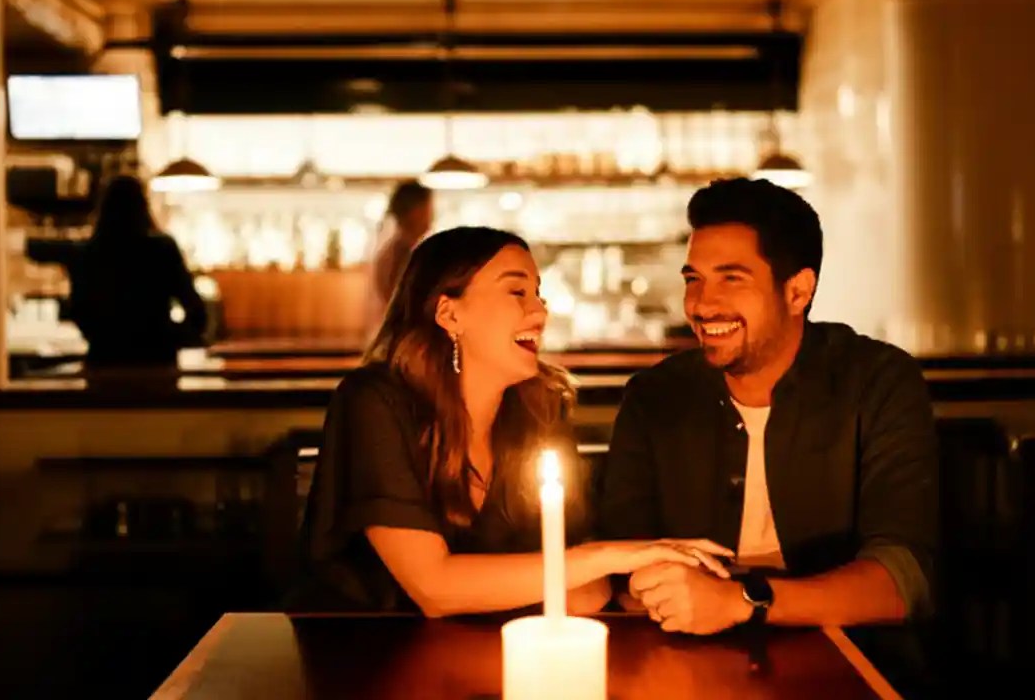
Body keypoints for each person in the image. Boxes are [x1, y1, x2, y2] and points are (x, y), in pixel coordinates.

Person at [291, 226, 732, 616]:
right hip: (357, 653)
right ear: (449, 314)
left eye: (538, 293)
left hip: (493, 656)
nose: (540, 312)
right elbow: (435, 588)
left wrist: (604, 567)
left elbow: (585, 593)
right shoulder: (375, 402)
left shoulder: (541, 408)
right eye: (517, 292)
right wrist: (612, 557)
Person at [598, 178, 938, 638]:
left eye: (731, 279)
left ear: (798, 291)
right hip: (684, 652)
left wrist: (741, 602)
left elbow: (903, 580)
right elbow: (620, 566)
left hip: (850, 655)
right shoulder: (655, 397)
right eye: (693, 279)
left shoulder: (876, 382)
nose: (701, 303)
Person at [65, 175, 207, 381]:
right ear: (143, 206)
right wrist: (168, 336)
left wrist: (103, 337)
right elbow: (197, 313)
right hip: (157, 365)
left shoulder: (86, 253)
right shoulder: (163, 249)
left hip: (103, 365)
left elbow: (78, 311)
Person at [364, 180, 434, 340]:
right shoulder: (401, 252)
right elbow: (402, 304)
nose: (431, 215)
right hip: (397, 342)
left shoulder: (397, 247)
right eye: (429, 208)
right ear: (416, 211)